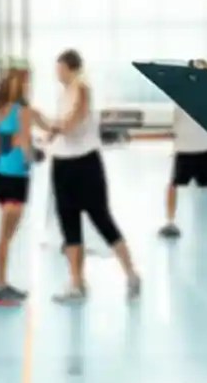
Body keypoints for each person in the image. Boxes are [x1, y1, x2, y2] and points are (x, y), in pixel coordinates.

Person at [48, 49, 140, 304]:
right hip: (62, 165)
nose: (57, 73)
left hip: (85, 165)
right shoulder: (63, 92)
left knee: (102, 220)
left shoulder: (82, 87)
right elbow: (60, 125)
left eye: (60, 68)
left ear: (71, 68)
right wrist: (51, 132)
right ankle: (76, 283)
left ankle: (131, 274)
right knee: (69, 225)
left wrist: (57, 126)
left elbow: (73, 120)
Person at [0, 67, 46, 305]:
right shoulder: (20, 111)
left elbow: (9, 144)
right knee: (5, 234)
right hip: (11, 178)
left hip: (9, 177)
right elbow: (21, 145)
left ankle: (1, 283)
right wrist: (33, 153)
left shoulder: (15, 111)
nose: (25, 86)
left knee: (7, 236)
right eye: (22, 82)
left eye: (26, 83)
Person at [159, 59, 207, 242]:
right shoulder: (182, 92)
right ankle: (170, 222)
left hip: (205, 146)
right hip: (184, 147)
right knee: (173, 185)